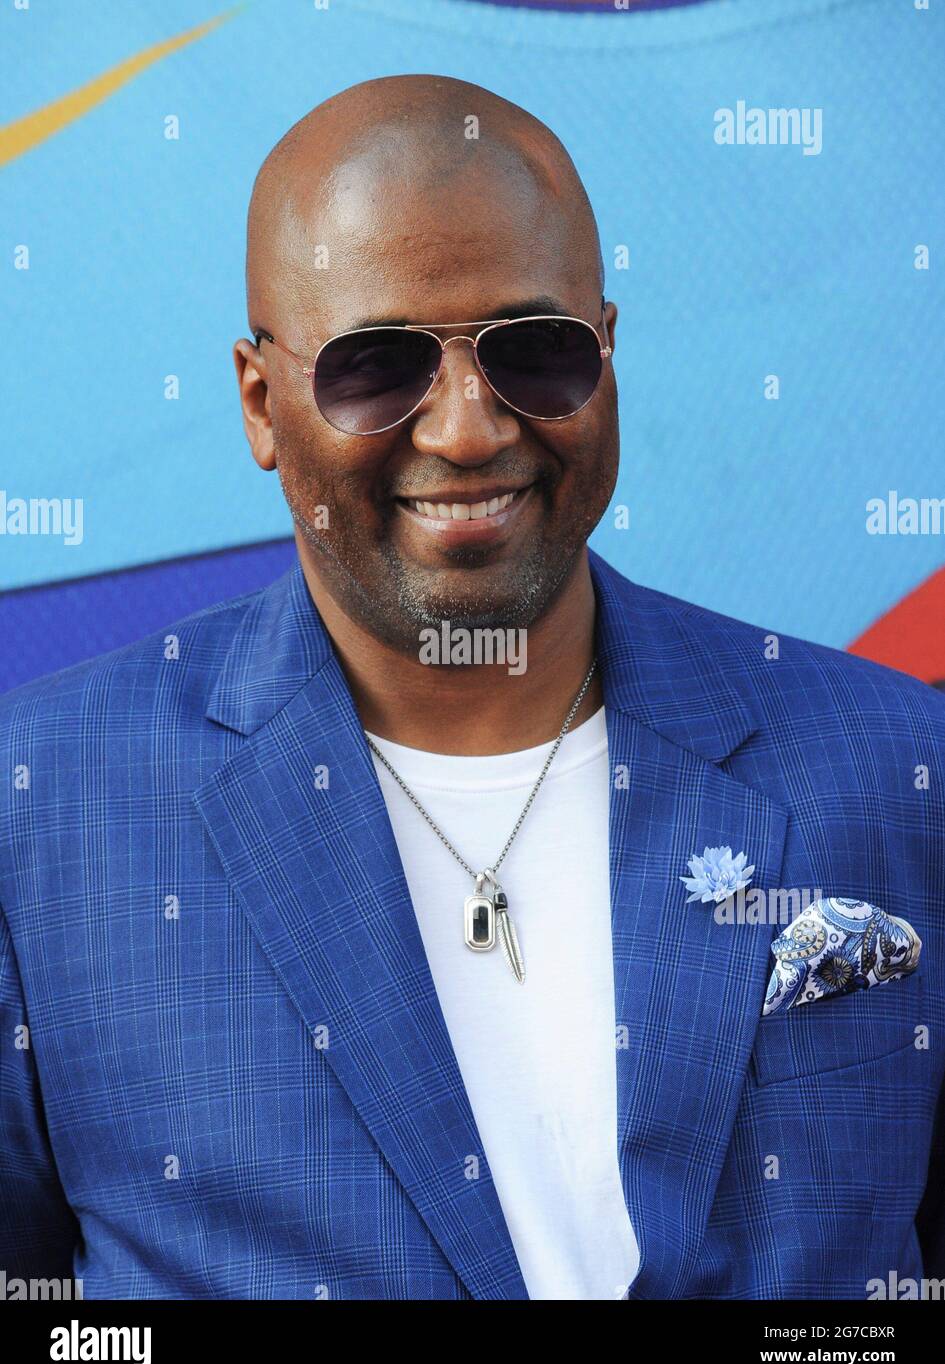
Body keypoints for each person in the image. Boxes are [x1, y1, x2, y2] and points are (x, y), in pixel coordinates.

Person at [1, 74, 942, 1301]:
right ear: (260, 403)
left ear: (607, 352)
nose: (465, 430)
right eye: (377, 368)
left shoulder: (894, 770)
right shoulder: (49, 814)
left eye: (535, 353)